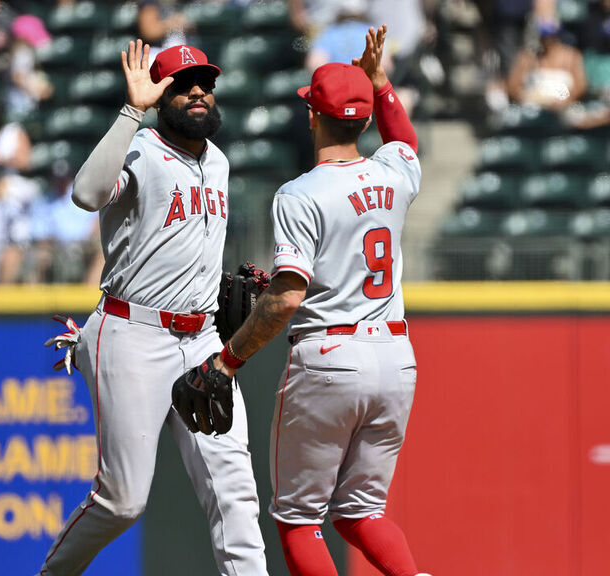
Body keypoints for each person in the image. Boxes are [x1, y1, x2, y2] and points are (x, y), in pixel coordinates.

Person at [179, 26, 433, 576]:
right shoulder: (395, 173)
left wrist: (228, 359)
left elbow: (289, 295)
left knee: (298, 519)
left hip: (328, 359)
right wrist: (381, 83)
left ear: (312, 116)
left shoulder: (300, 194)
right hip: (395, 356)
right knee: (362, 512)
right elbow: (404, 139)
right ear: (363, 121)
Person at [37, 40, 268, 575]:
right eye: (182, 84)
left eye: (205, 84)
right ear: (159, 94)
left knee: (234, 491)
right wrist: (130, 110)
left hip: (202, 341)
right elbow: (87, 194)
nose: (196, 93)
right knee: (123, 502)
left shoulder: (221, 163)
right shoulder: (141, 147)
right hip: (131, 332)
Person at [507, 20, 587, 111]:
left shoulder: (571, 56)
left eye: (551, 37)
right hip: (532, 110)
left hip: (563, 110)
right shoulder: (527, 57)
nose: (547, 41)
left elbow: (580, 86)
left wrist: (566, 100)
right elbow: (513, 86)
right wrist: (527, 98)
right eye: (544, 37)